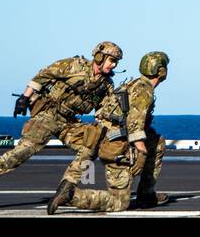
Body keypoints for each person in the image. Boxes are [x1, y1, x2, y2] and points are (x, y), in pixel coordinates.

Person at [0, 42, 122, 204]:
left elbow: (102, 112)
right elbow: (43, 76)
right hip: (49, 115)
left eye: (116, 62)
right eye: (111, 60)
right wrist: (25, 97)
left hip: (69, 123)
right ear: (99, 57)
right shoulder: (74, 66)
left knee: (92, 143)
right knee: (22, 152)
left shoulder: (106, 85)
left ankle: (67, 186)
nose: (114, 65)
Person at [52, 51, 170, 213]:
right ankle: (72, 196)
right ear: (161, 71)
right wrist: (141, 153)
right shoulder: (144, 91)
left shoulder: (133, 84)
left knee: (157, 142)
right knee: (119, 203)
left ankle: (146, 194)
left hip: (110, 139)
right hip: (116, 147)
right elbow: (134, 125)